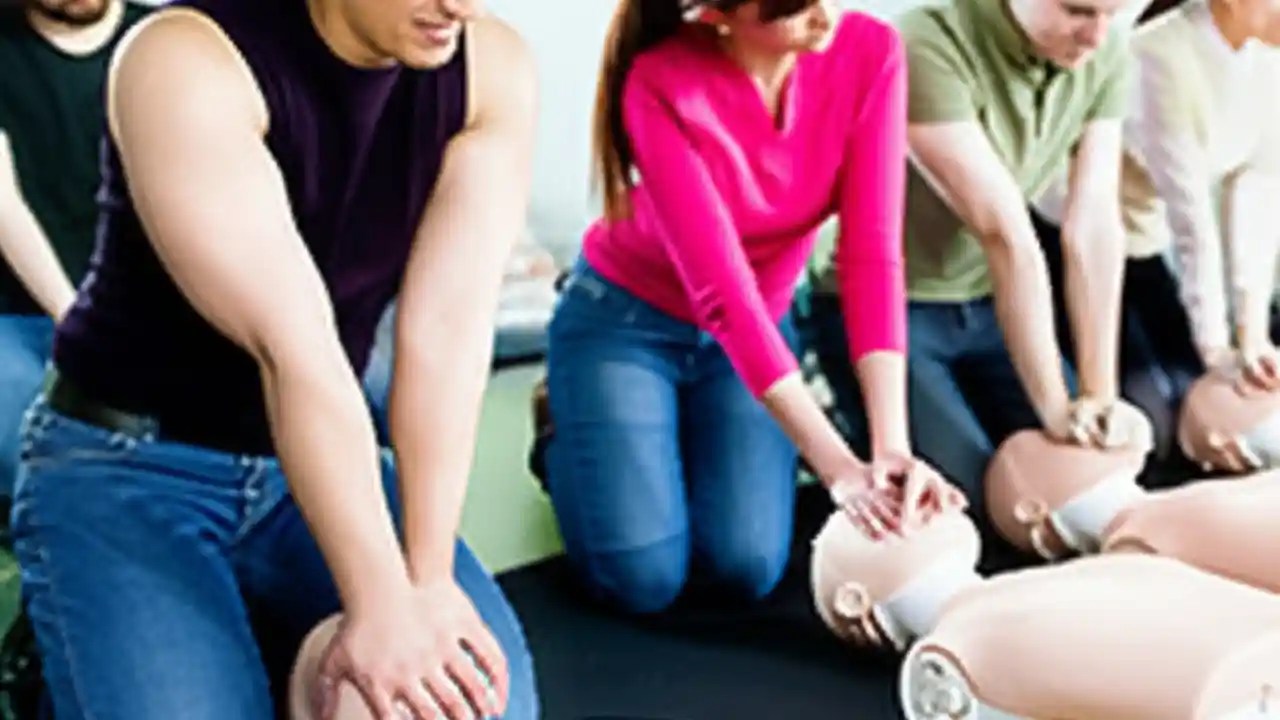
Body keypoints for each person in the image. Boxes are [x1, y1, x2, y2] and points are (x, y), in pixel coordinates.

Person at [8, 0, 540, 718]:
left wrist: (428, 582)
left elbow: (446, 332)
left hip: (313, 463)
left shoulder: (488, 68)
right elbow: (297, 350)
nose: (460, 6)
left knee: (454, 702)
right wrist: (380, 603)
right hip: (127, 462)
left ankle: (295, 668)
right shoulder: (183, 59)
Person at [540, 0, 963, 617]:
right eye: (793, 6)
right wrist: (837, 466)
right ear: (715, 12)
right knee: (643, 580)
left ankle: (650, 440)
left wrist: (890, 448)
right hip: (624, 324)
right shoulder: (659, 80)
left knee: (745, 567)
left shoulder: (869, 51)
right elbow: (723, 295)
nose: (824, 16)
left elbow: (870, 253)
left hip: (756, 335)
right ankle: (563, 430)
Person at [806, 0, 1152, 514]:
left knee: (1083, 478)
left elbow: (1096, 220)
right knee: (973, 497)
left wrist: (1097, 397)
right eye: (1079, 11)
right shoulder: (924, 43)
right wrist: (1056, 407)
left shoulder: (1106, 50)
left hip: (990, 302)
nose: (1096, 37)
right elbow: (1004, 232)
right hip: (891, 310)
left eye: (1113, 14)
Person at [0, 0, 149, 507]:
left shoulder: (162, 42)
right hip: (19, 317)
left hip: (143, 313)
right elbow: (4, 209)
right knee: (19, 427)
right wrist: (78, 321)